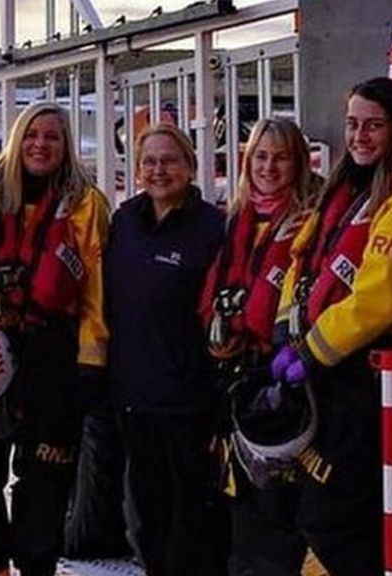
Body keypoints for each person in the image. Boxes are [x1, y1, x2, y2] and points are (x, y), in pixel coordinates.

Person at [270, 77, 392, 575]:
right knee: (345, 514)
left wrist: (311, 350)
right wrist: (284, 331)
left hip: (382, 372)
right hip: (339, 370)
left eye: (374, 125)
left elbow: (382, 295)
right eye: (353, 124)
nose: (359, 136)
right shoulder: (349, 190)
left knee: (331, 516)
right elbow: (301, 259)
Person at [0, 101, 110, 576]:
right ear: (18, 139)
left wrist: (91, 364)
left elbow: (95, 291)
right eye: (33, 134)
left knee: (45, 484)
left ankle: (37, 567)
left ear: (67, 145)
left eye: (53, 136)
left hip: (52, 357)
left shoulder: (85, 205)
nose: (41, 144)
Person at [104, 123, 226, 575]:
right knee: (146, 520)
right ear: (137, 171)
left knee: (193, 521)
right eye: (150, 162)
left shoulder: (213, 228)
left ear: (191, 167)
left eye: (170, 161)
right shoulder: (124, 222)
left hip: (189, 400)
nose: (159, 170)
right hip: (133, 397)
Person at [198, 117, 318, 575]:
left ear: (299, 163)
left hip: (277, 386)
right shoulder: (233, 221)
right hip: (232, 383)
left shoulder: (309, 222)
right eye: (260, 156)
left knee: (273, 516)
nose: (268, 167)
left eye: (280, 156)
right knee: (235, 510)